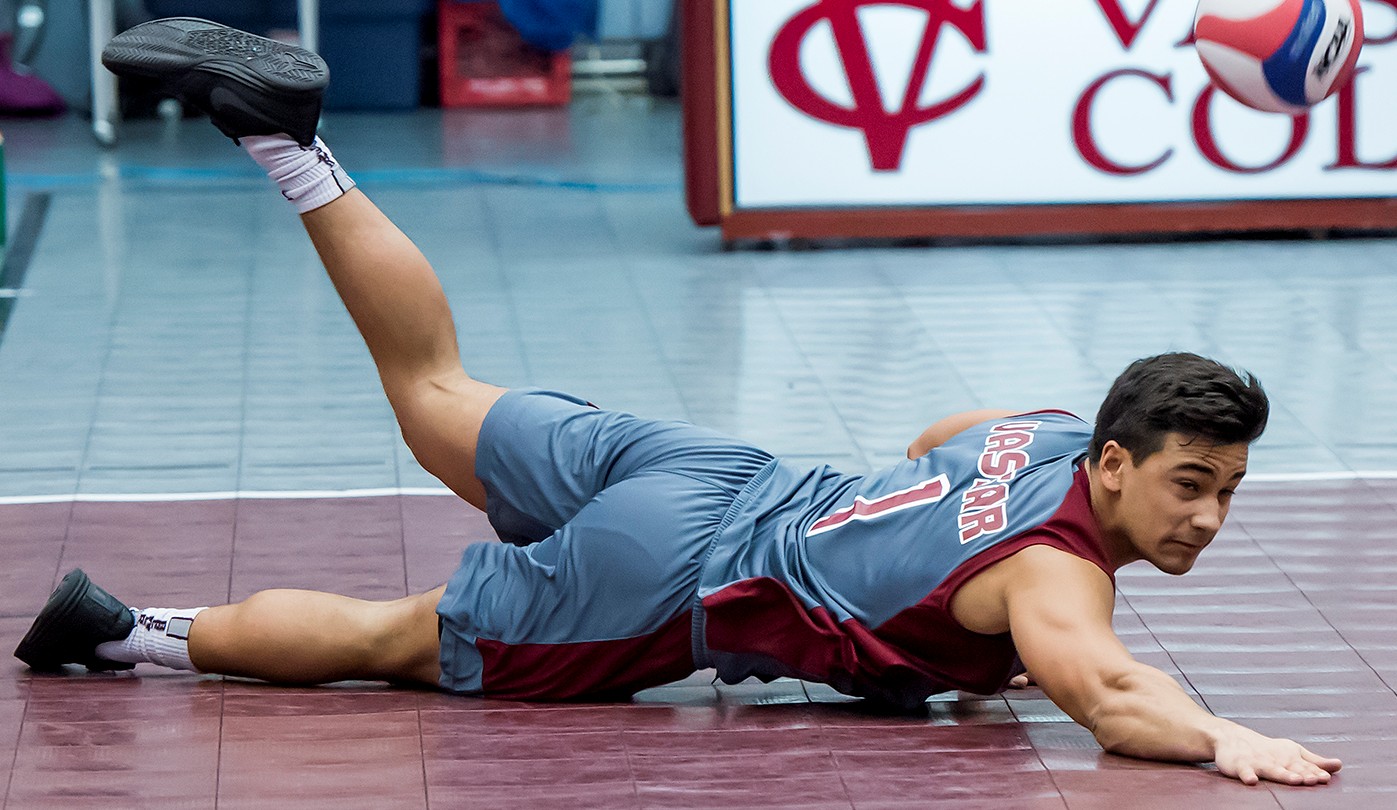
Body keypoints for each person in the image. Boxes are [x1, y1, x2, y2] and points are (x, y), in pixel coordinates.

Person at [16, 18, 1341, 788]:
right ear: (1112, 463)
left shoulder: (1043, 428)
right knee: (401, 634)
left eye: (1225, 487)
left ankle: (290, 142)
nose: (1209, 516)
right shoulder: (1057, 580)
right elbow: (1108, 696)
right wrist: (1223, 736)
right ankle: (133, 628)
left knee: (433, 391)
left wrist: (933, 606)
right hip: (677, 573)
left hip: (714, 467)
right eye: (1188, 483)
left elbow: (936, 443)